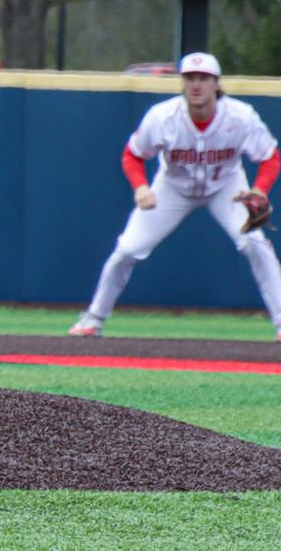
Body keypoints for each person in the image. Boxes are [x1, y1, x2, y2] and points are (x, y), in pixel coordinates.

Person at [69, 51, 281, 341]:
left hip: (227, 185)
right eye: (190, 78)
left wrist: (259, 190)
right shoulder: (163, 117)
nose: (196, 84)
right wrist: (141, 187)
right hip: (174, 185)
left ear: (216, 84)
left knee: (254, 242)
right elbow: (133, 154)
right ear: (182, 82)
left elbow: (270, 157)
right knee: (128, 249)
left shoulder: (241, 116)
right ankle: (93, 318)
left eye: (203, 78)